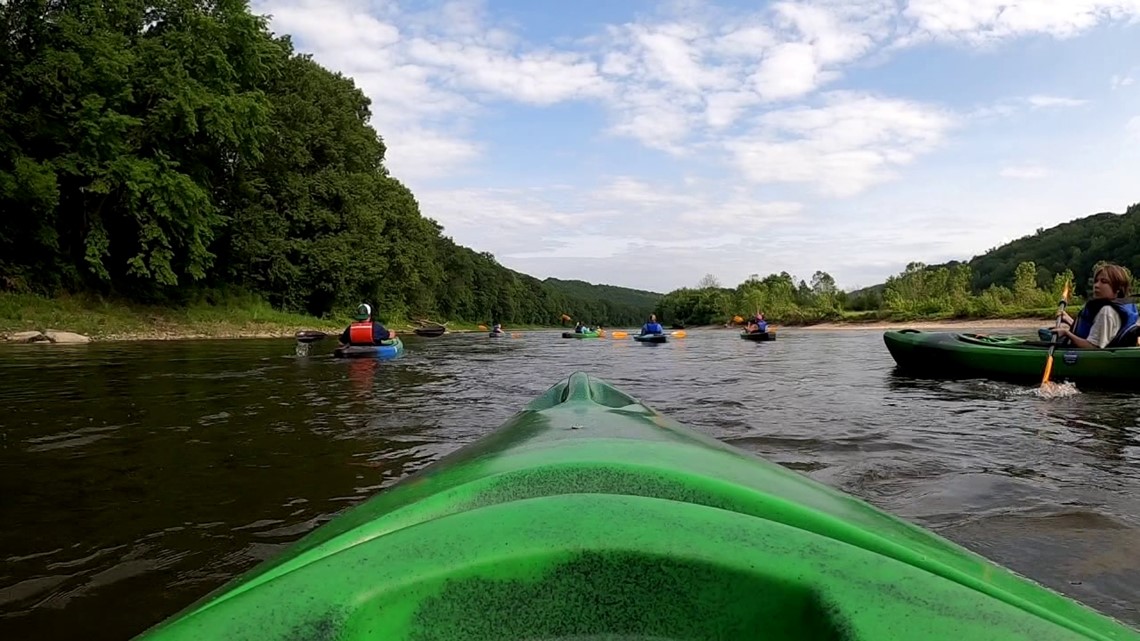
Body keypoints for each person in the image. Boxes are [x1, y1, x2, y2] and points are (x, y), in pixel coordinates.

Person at [1050, 263, 1139, 348]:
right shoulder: (1115, 307)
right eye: (1096, 281)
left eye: (1104, 282)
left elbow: (1092, 347)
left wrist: (1066, 333)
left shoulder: (1107, 312)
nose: (1096, 285)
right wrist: (1067, 319)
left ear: (1118, 289)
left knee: (1047, 335)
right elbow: (1097, 329)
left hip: (1095, 355)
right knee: (1046, 333)